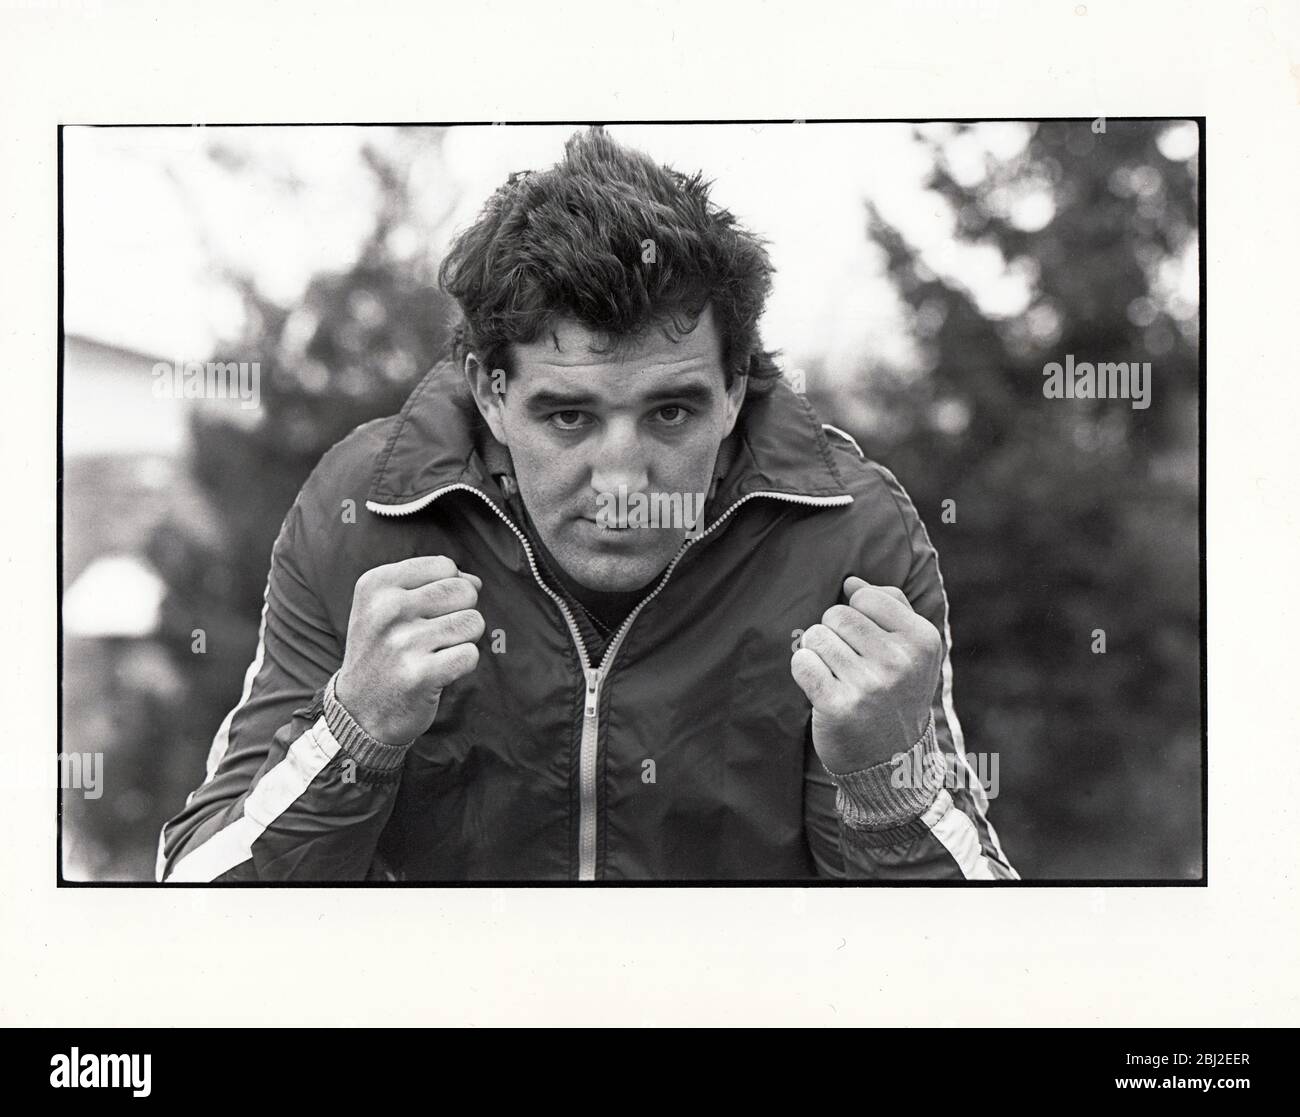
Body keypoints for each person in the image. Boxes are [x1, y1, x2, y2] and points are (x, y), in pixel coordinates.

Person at [157, 127, 1017, 882]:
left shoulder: (851, 533)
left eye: (670, 412)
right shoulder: (365, 512)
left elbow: (978, 973)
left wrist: (887, 783)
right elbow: (193, 906)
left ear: (733, 391)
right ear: (492, 394)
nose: (623, 482)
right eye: (569, 416)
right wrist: (354, 734)